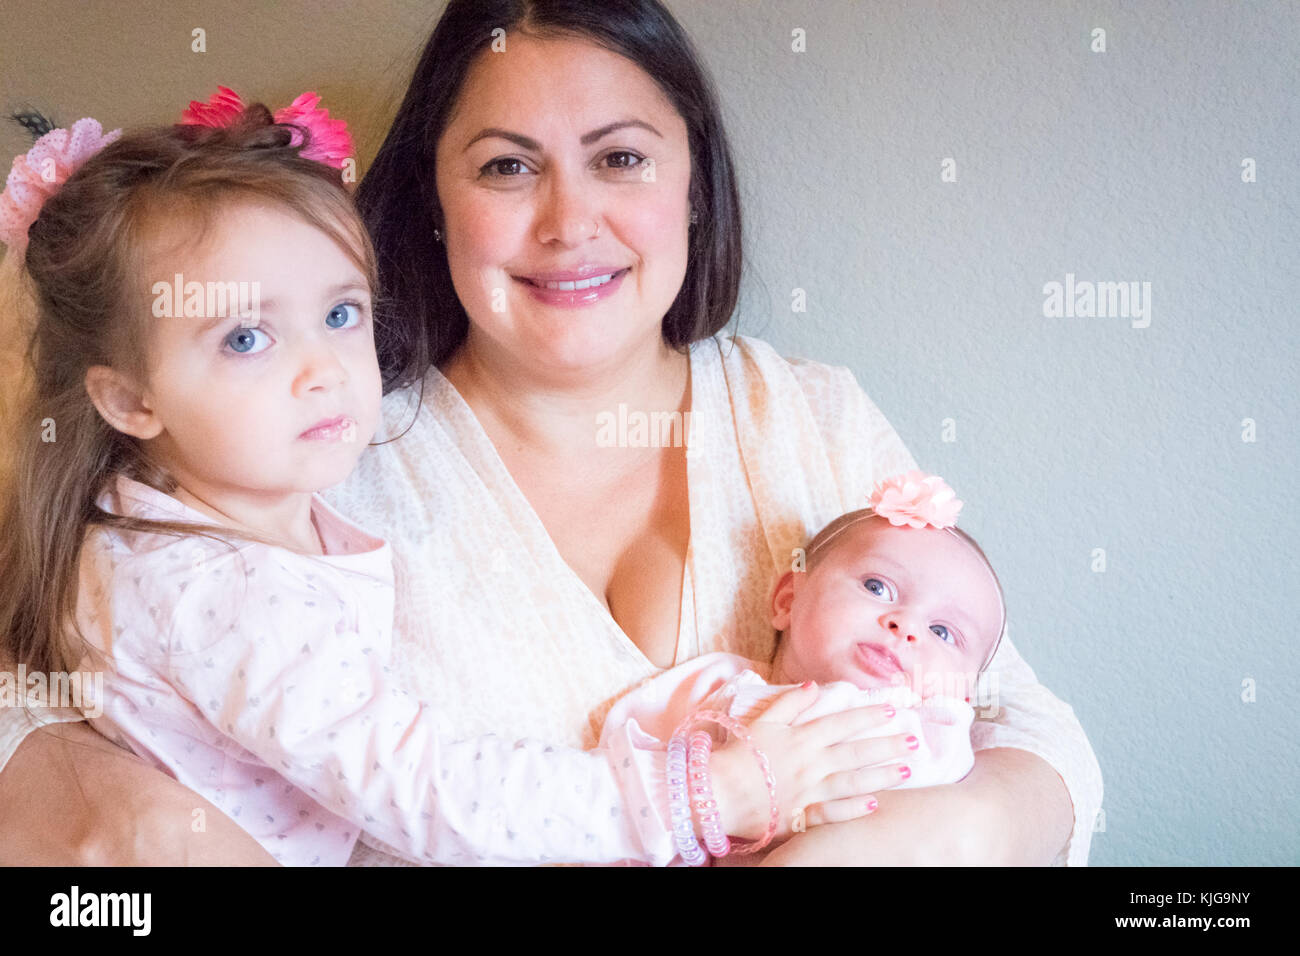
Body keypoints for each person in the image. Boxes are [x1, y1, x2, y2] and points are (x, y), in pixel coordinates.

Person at [0, 0, 1102, 866]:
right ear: (432, 196)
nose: (569, 222)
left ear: (692, 188)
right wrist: (116, 831)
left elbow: (1030, 728)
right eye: (507, 165)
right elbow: (52, 676)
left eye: (619, 157)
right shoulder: (303, 456)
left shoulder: (807, 417)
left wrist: (913, 839)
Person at [596, 471, 1006, 864]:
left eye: (942, 631)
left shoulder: (938, 740)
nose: (906, 626)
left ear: (963, 693)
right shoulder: (720, 688)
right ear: (787, 601)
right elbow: (625, 764)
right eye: (877, 587)